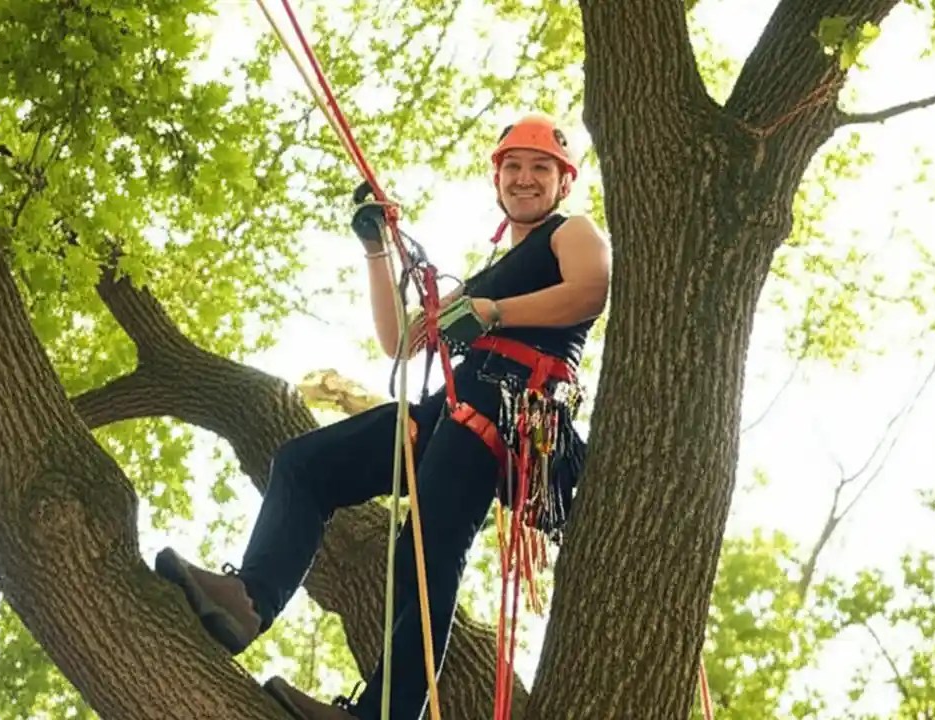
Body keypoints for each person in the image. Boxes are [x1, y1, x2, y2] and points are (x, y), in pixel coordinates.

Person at [154, 113, 611, 720]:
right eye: (513, 167)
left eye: (540, 168)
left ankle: (384, 714)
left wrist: (493, 313)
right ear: (497, 179)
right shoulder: (486, 279)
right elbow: (400, 340)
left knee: (424, 553)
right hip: (445, 412)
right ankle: (248, 599)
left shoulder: (571, 232)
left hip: (502, 411)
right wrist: (376, 248)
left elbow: (590, 290)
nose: (524, 178)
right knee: (306, 465)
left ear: (563, 182)